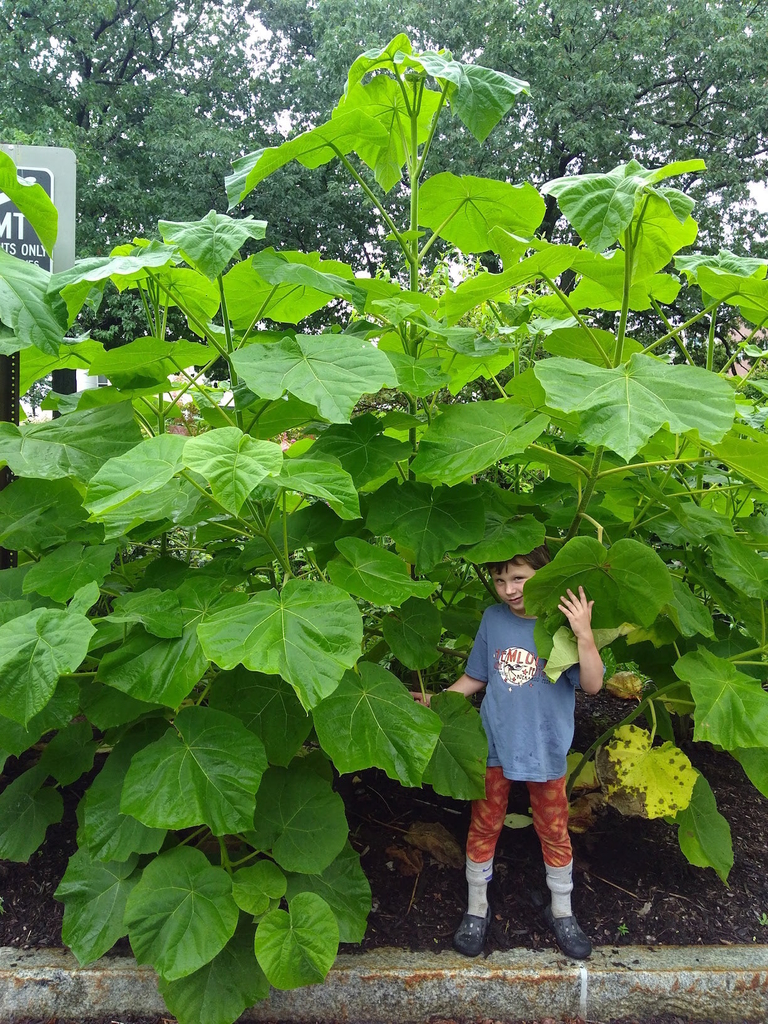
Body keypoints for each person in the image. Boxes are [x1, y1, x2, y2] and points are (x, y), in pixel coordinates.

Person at [415, 545, 604, 959]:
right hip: (495, 744)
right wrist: (436, 701)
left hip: (545, 745)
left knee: (553, 829)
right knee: (484, 824)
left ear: (543, 573)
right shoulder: (493, 620)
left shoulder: (560, 625)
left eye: (518, 578)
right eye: (500, 580)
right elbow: (475, 677)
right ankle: (476, 909)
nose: (508, 589)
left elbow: (591, 684)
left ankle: (563, 911)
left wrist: (584, 634)